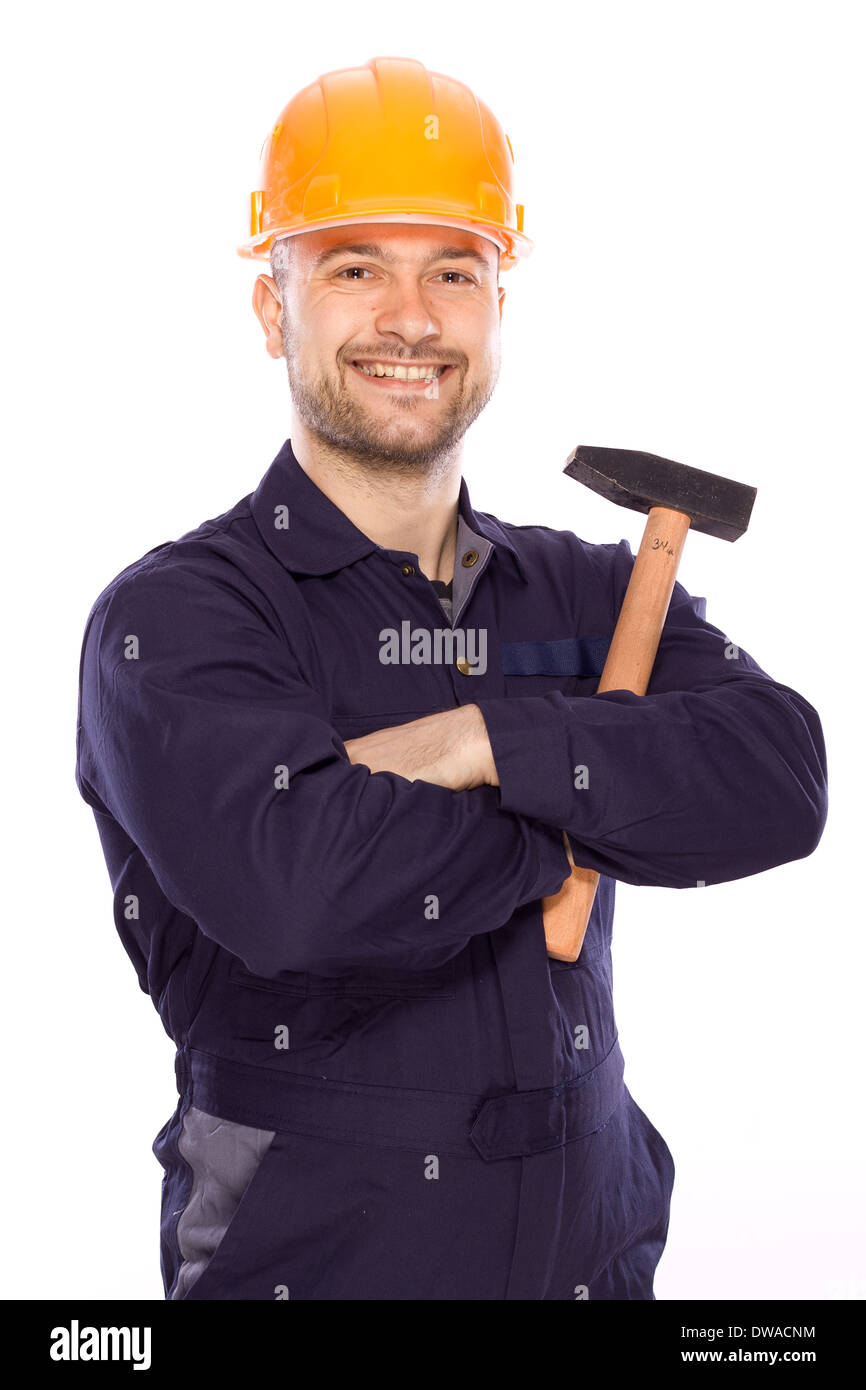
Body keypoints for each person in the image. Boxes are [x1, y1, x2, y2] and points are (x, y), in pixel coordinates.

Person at [75, 56, 828, 1300]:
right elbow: (299, 890)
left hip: (594, 1259)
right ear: (273, 308)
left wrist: (484, 737)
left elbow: (777, 778)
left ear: (494, 305)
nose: (411, 319)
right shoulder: (179, 619)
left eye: (453, 270)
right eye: (355, 267)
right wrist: (591, 798)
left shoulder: (588, 590)